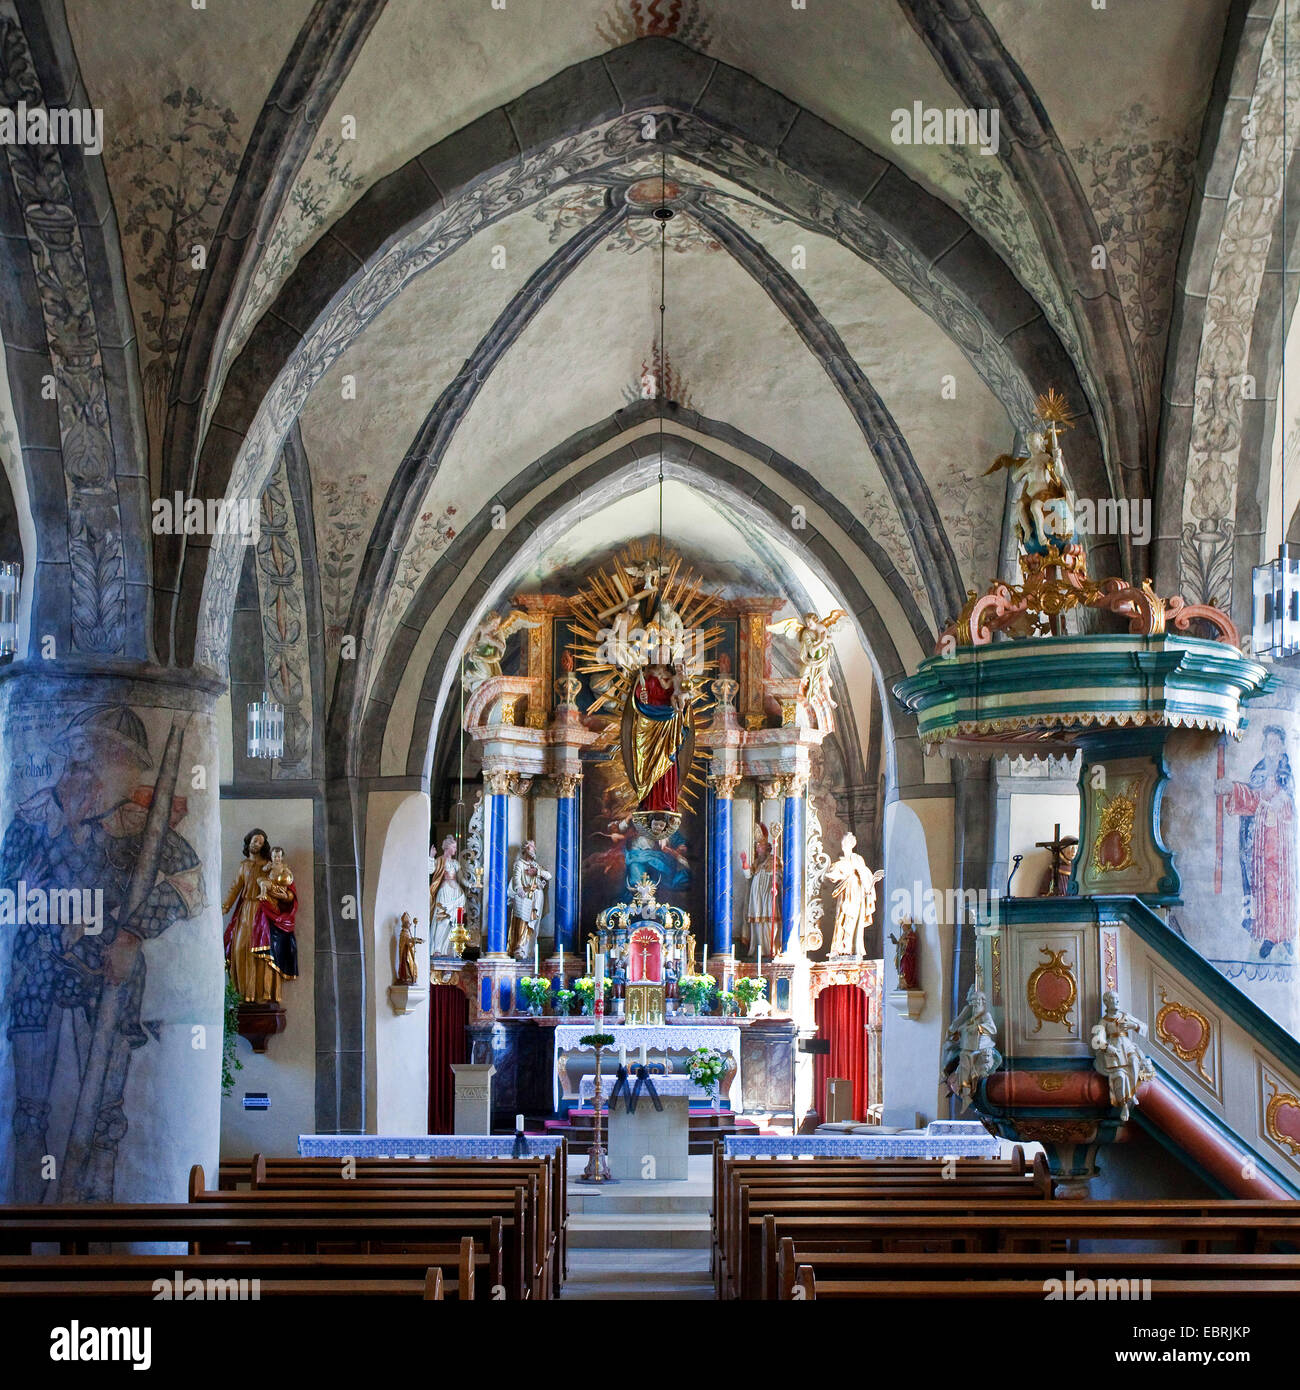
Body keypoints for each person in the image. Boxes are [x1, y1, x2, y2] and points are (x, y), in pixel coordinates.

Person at [1216, 725, 1296, 960]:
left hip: (1283, 843)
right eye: (1268, 743)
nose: (1271, 747)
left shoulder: (1288, 773)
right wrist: (1232, 788)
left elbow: (1289, 800)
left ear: (1281, 746)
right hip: (1263, 840)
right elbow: (1252, 796)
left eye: (1275, 743)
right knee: (1265, 886)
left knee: (1286, 888)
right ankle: (1269, 936)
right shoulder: (1260, 771)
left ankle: (1288, 935)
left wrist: (1278, 802)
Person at [224, 828, 280, 1002]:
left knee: (260, 951)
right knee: (240, 948)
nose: (257, 844)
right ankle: (241, 994)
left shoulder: (267, 865)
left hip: (262, 911)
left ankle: (259, 995)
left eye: (261, 842)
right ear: (248, 842)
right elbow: (235, 888)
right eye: (255, 840)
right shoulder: (244, 866)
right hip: (245, 910)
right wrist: (225, 906)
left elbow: (276, 884)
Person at [825, 832, 884, 957]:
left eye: (846, 841)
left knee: (852, 920)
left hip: (855, 893)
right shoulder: (840, 863)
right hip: (844, 894)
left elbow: (864, 874)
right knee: (841, 918)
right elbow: (832, 876)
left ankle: (851, 948)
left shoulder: (856, 858)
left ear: (852, 844)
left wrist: (869, 883)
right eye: (843, 841)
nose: (844, 843)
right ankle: (839, 948)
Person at [739, 823, 779, 959]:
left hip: (767, 896)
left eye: (759, 845)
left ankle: (770, 949)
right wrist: (744, 862)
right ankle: (757, 950)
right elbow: (748, 875)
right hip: (756, 898)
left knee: (768, 921)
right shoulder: (756, 862)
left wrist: (776, 884)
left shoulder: (774, 860)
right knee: (756, 923)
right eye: (756, 846)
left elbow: (780, 875)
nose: (757, 848)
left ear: (767, 847)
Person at [507, 840, 552, 960]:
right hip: (525, 895)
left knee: (534, 923)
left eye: (534, 848)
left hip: (537, 896)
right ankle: (519, 948)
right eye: (531, 847)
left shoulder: (537, 866)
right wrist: (519, 889)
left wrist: (537, 872)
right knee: (523, 920)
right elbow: (516, 878)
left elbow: (549, 876)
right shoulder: (519, 864)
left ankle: (530, 950)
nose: (534, 850)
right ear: (525, 850)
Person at [428, 835, 468, 957]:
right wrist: (431, 857)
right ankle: (437, 948)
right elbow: (430, 870)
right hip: (445, 892)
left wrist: (471, 884)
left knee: (454, 922)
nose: (455, 850)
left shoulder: (456, 863)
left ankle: (451, 949)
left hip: (456, 894)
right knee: (443, 920)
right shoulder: (440, 860)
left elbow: (461, 878)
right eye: (454, 847)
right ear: (447, 847)